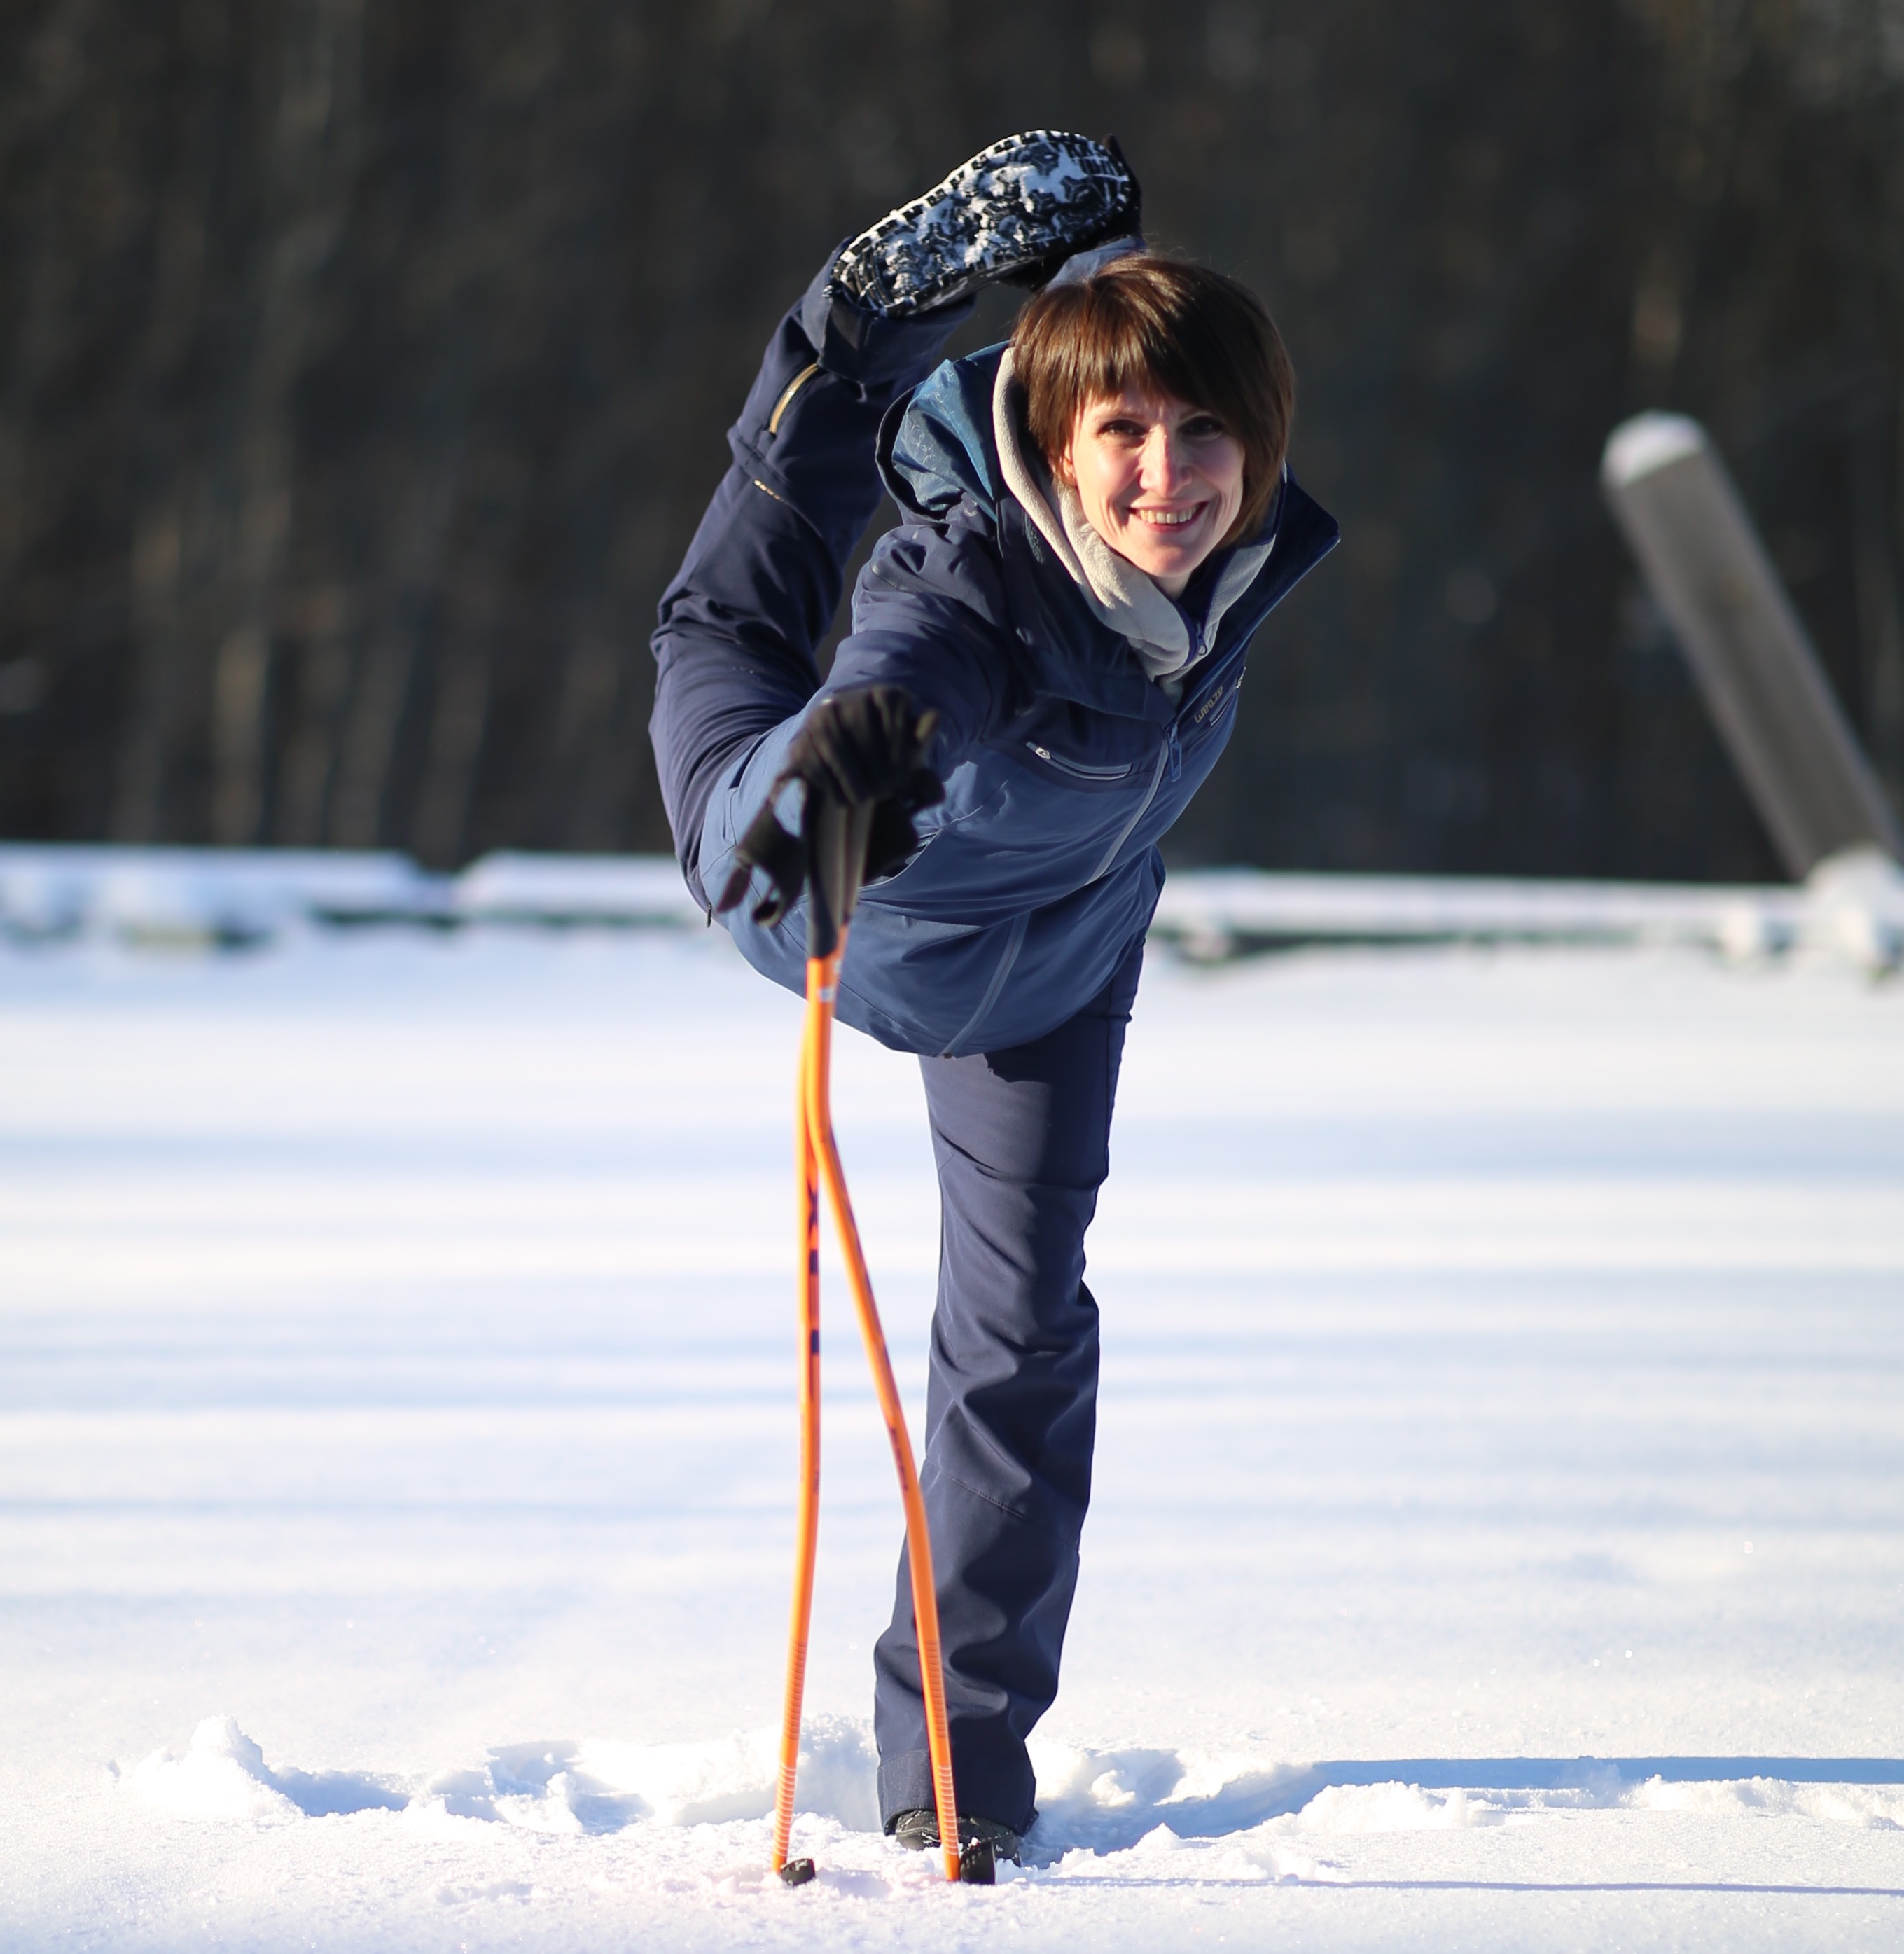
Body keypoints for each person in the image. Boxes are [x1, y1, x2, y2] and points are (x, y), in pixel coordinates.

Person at [651, 130, 1337, 1862]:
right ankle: (849, 328)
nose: (1168, 477)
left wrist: (1106, 299)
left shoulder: (1225, 566)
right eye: (1123, 434)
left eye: (1204, 433)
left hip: (1054, 955)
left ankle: (951, 1767)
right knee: (741, 600)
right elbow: (912, 657)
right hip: (812, 872)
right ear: (1058, 445)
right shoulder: (970, 578)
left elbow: (1147, 423)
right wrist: (859, 766)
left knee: (1024, 1336)